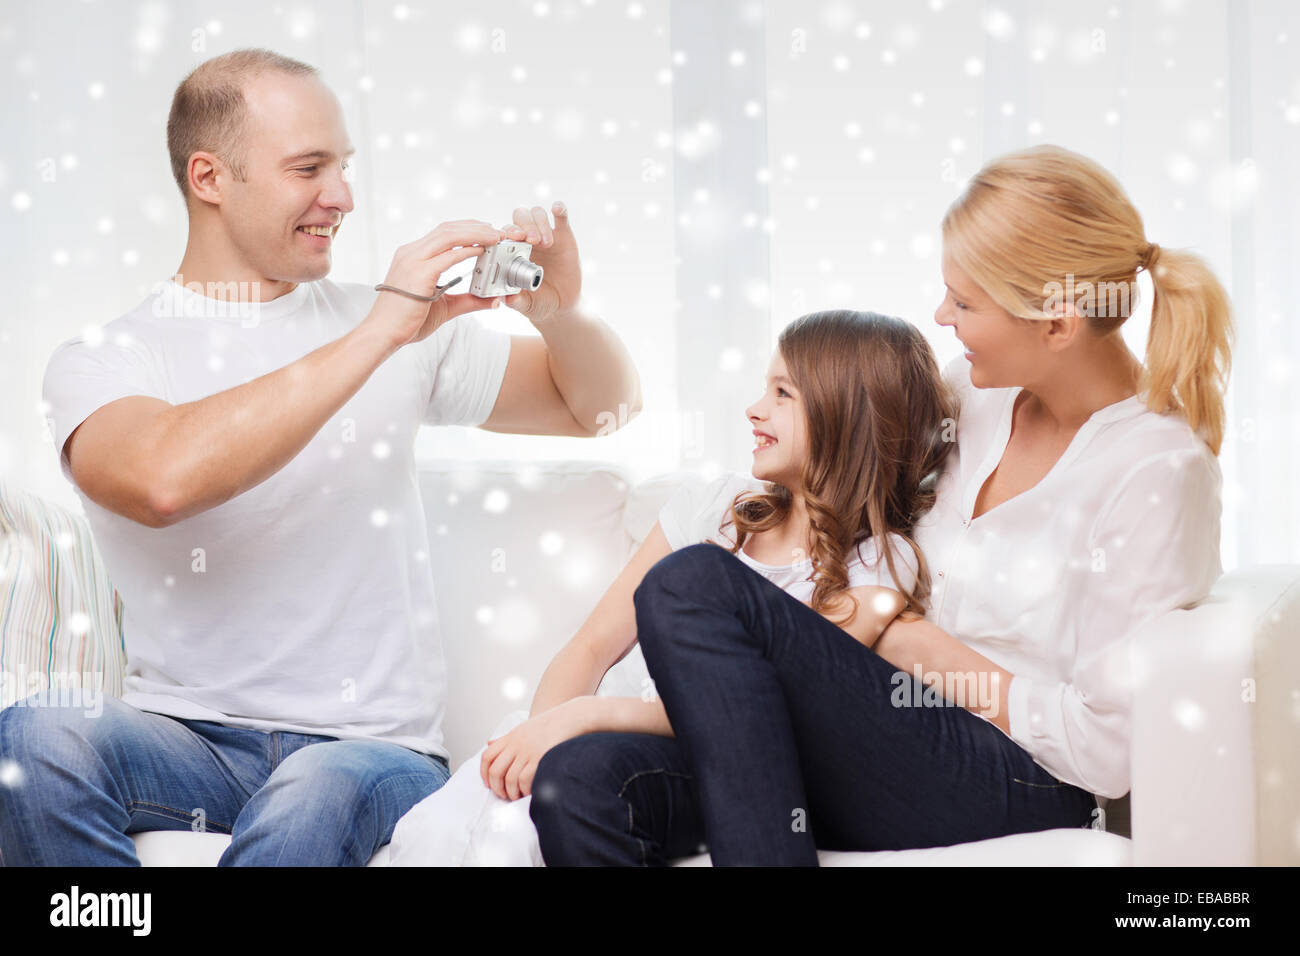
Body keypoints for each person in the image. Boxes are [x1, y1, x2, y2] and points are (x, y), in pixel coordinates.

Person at [0, 48, 641, 866]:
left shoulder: (408, 333)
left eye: (343, 166)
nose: (340, 196)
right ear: (210, 178)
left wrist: (563, 314)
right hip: (186, 741)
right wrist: (377, 330)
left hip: (371, 756)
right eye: (309, 168)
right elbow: (162, 481)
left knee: (311, 795)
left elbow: (601, 410)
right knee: (34, 736)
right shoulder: (107, 358)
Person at [528, 144, 1232, 866]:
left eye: (964, 303)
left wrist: (913, 642)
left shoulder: (1157, 472)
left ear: (1056, 325)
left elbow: (1104, 750)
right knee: (576, 783)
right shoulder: (971, 395)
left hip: (1013, 773)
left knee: (691, 583)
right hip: (873, 726)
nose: (940, 315)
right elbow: (848, 454)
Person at [386, 309, 956, 866]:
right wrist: (543, 733)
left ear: (847, 415)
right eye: (765, 388)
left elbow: (756, 712)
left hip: (682, 761)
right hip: (587, 733)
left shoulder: (881, 564)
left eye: (783, 394)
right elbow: (589, 648)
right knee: (457, 833)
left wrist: (587, 718)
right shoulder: (716, 508)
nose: (755, 409)